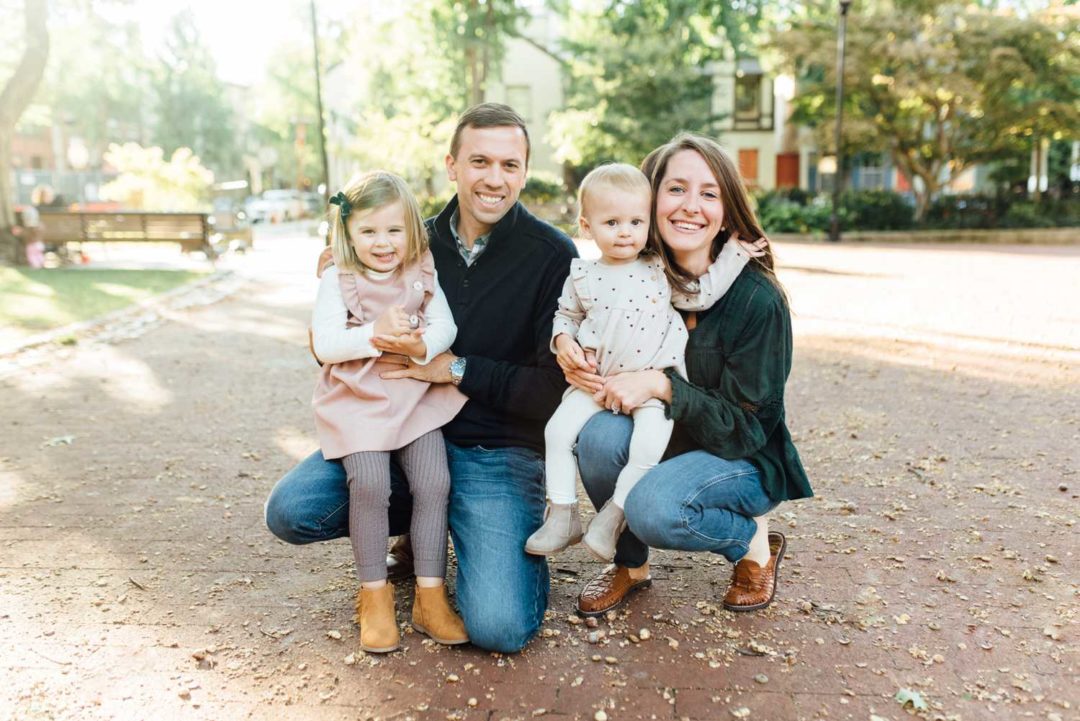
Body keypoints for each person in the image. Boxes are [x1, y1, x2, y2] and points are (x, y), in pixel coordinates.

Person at [265, 103, 577, 653]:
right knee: (293, 511)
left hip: (495, 450)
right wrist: (345, 273)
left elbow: (553, 390)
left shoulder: (552, 255)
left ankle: (472, 536)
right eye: (479, 161)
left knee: (500, 627)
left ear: (525, 172)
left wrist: (456, 368)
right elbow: (335, 339)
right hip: (396, 426)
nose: (495, 178)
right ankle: (414, 541)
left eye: (509, 164)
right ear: (452, 165)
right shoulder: (406, 240)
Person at [564, 133, 813, 618]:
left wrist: (662, 385)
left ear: (726, 211)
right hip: (665, 437)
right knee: (596, 437)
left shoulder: (757, 300)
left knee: (654, 508)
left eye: (709, 193)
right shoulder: (636, 277)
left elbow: (749, 428)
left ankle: (752, 543)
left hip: (742, 455)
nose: (690, 206)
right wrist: (566, 346)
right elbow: (578, 315)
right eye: (676, 189)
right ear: (650, 199)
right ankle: (630, 564)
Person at [525, 163, 765, 561]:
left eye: (636, 222)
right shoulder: (582, 274)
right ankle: (563, 513)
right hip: (598, 381)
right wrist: (563, 340)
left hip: (653, 385)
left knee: (647, 446)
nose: (625, 232)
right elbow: (566, 315)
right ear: (586, 226)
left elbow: (700, 294)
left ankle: (613, 516)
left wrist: (735, 255)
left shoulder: (656, 268)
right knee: (557, 432)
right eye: (612, 223)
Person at [310, 170, 468, 653]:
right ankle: (374, 595)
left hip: (412, 392)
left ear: (412, 230)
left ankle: (430, 596)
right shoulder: (338, 277)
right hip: (358, 397)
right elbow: (327, 343)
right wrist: (375, 334)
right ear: (348, 232)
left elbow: (445, 325)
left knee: (434, 482)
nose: (383, 243)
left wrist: (422, 346)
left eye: (394, 230)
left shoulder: (420, 270)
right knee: (371, 484)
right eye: (369, 231)